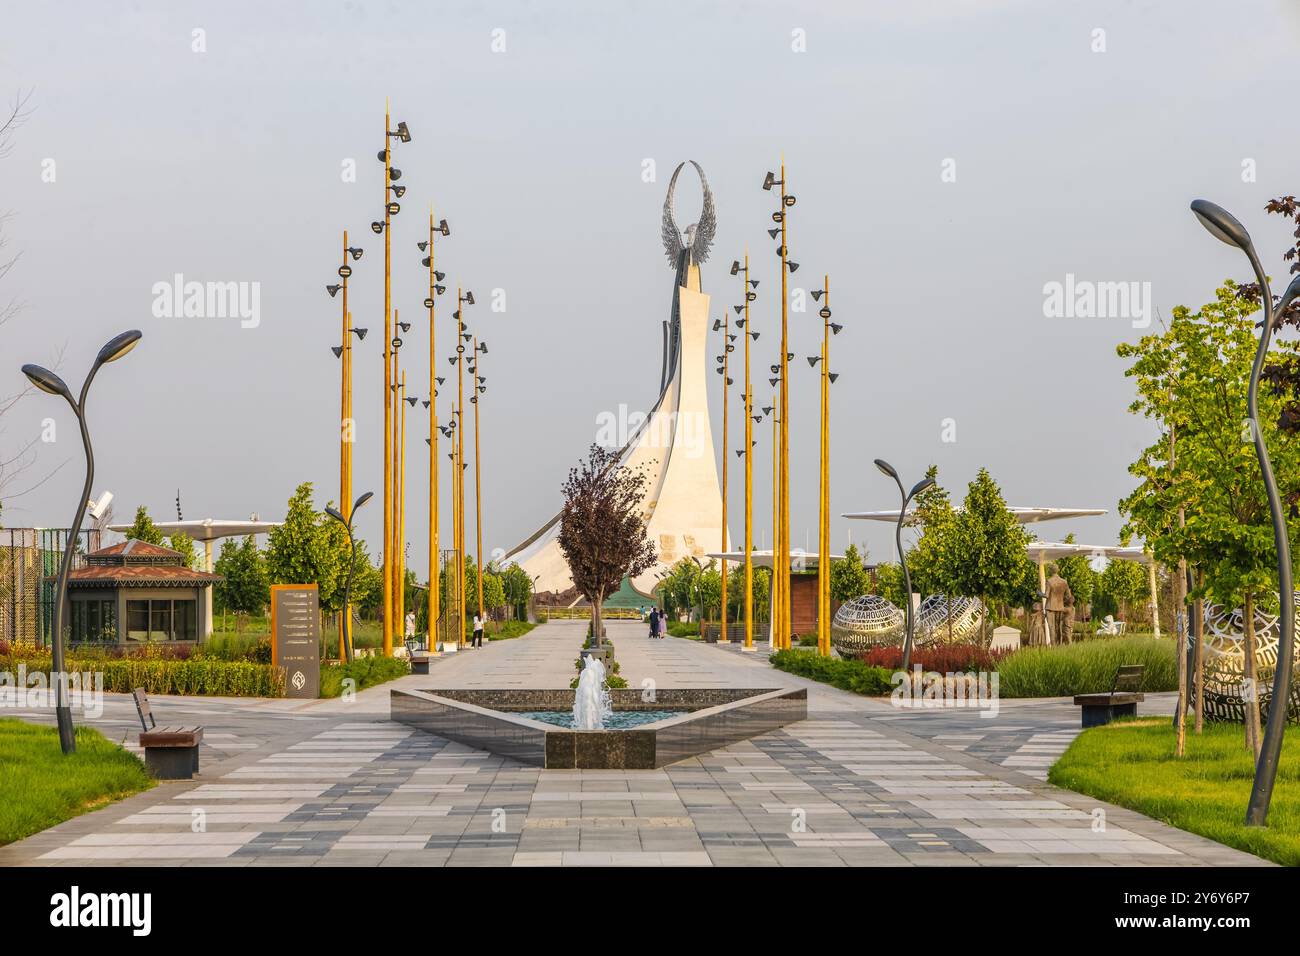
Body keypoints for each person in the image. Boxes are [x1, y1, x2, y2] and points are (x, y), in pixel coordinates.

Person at [1044, 567, 1075, 645]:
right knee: (1058, 628)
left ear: (1051, 571)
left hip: (1050, 607)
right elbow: (1069, 596)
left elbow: (1046, 595)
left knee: (1051, 628)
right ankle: (1059, 644)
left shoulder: (1049, 581)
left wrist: (1039, 593)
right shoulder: (1064, 582)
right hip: (1060, 607)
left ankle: (1054, 646)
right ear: (1058, 570)